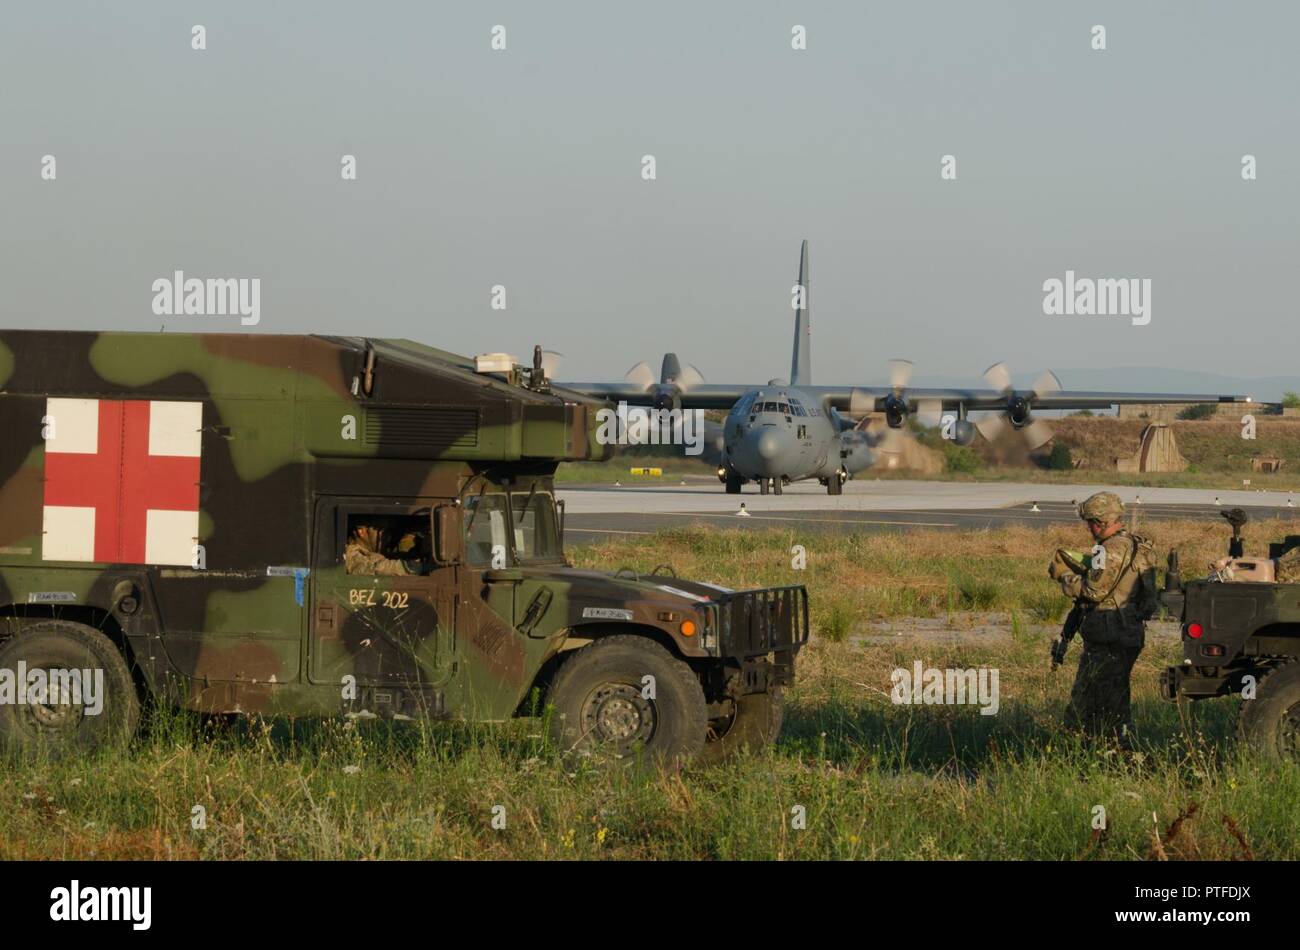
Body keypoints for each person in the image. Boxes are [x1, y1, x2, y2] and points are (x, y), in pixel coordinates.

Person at [1047, 491, 1158, 748]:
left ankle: (1099, 750)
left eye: (1090, 522)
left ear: (1101, 522)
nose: (1088, 528)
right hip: (1127, 633)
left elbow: (1093, 591)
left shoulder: (1109, 549)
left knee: (1088, 703)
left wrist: (1063, 576)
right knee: (1113, 699)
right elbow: (1147, 600)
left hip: (1109, 637)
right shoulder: (1138, 546)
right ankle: (1112, 750)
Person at [344, 524, 425, 576]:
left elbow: (388, 559)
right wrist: (415, 567)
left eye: (388, 532)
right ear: (361, 531)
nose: (387, 537)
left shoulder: (372, 553)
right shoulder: (349, 553)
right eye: (383, 532)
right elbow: (377, 567)